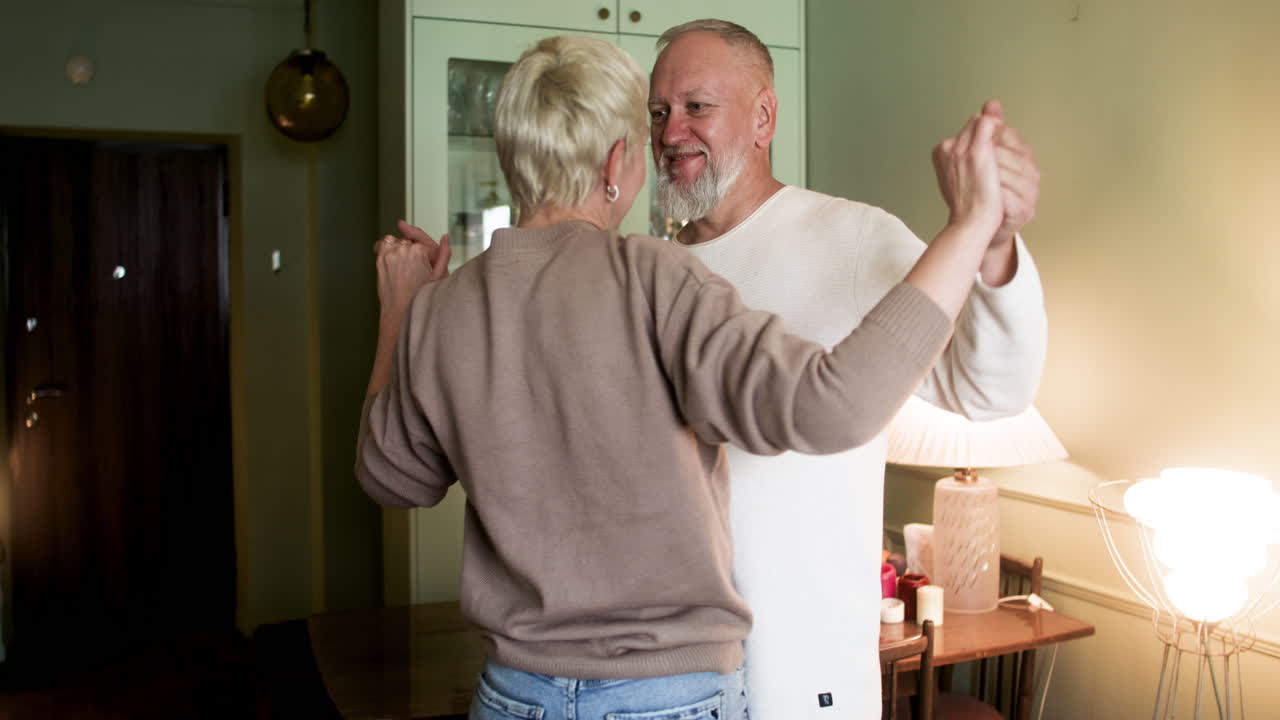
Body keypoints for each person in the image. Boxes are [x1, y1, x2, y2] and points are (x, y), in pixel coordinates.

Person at [358, 33, 1016, 720]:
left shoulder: (445, 306)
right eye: (647, 130)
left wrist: (400, 313)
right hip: (660, 698)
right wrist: (970, 228)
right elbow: (835, 407)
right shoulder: (652, 275)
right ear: (616, 163)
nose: (664, 140)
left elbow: (392, 478)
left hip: (514, 695)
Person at [647, 19, 1048, 720]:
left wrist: (995, 244)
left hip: (807, 676)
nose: (671, 130)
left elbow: (992, 389)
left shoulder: (855, 238)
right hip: (665, 681)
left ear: (764, 115)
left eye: (696, 107)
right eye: (658, 112)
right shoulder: (645, 267)